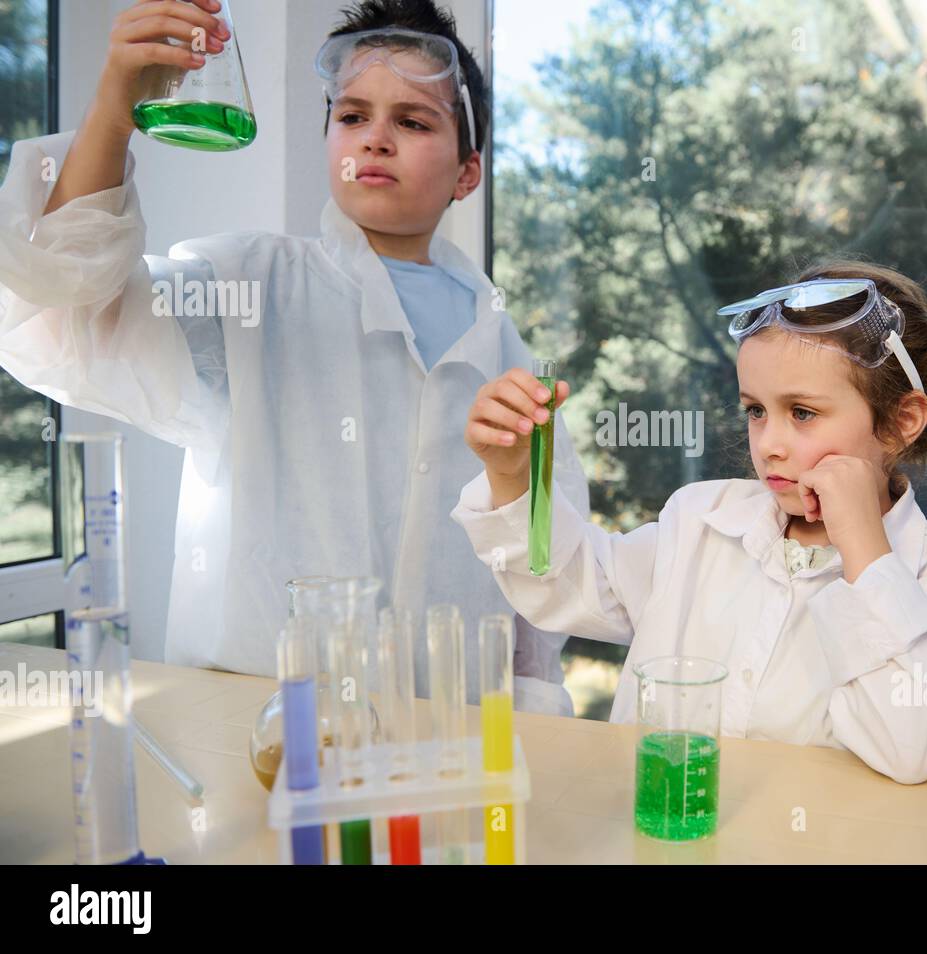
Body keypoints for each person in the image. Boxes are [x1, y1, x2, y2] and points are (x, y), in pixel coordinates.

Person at [0, 0, 588, 714]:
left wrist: (529, 729)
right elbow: (65, 312)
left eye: (412, 120)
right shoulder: (250, 285)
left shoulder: (507, 356)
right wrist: (114, 110)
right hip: (256, 744)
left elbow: (539, 584)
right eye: (351, 116)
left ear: (468, 173)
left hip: (444, 756)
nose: (374, 139)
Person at [453, 261, 927, 783]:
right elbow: (563, 586)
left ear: (900, 422)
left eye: (802, 413)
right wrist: (511, 475)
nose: (770, 444)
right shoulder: (699, 520)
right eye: (756, 410)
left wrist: (863, 546)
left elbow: (916, 748)